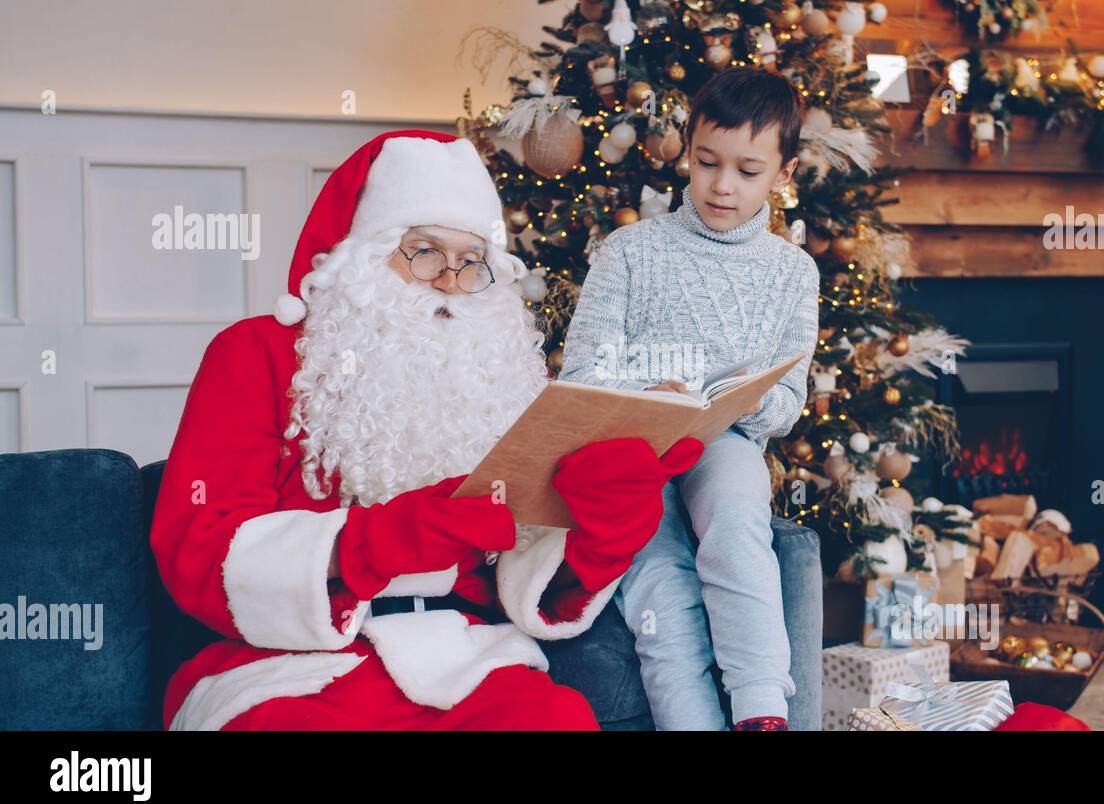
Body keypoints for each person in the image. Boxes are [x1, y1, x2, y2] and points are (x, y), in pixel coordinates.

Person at [151, 130, 702, 730]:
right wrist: (375, 542)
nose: (449, 280)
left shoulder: (505, 376)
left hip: (467, 665)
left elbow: (526, 579)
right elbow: (198, 549)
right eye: (424, 252)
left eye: (473, 263)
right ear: (361, 256)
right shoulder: (254, 354)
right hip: (291, 672)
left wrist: (608, 525)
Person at [559, 69, 820, 730]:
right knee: (662, 593)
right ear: (688, 153)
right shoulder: (629, 252)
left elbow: (787, 399)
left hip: (724, 439)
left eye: (747, 170)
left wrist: (739, 401)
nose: (722, 186)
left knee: (735, 515)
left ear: (784, 173)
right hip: (631, 453)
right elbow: (583, 372)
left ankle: (763, 710)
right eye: (706, 163)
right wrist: (647, 395)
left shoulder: (794, 272)